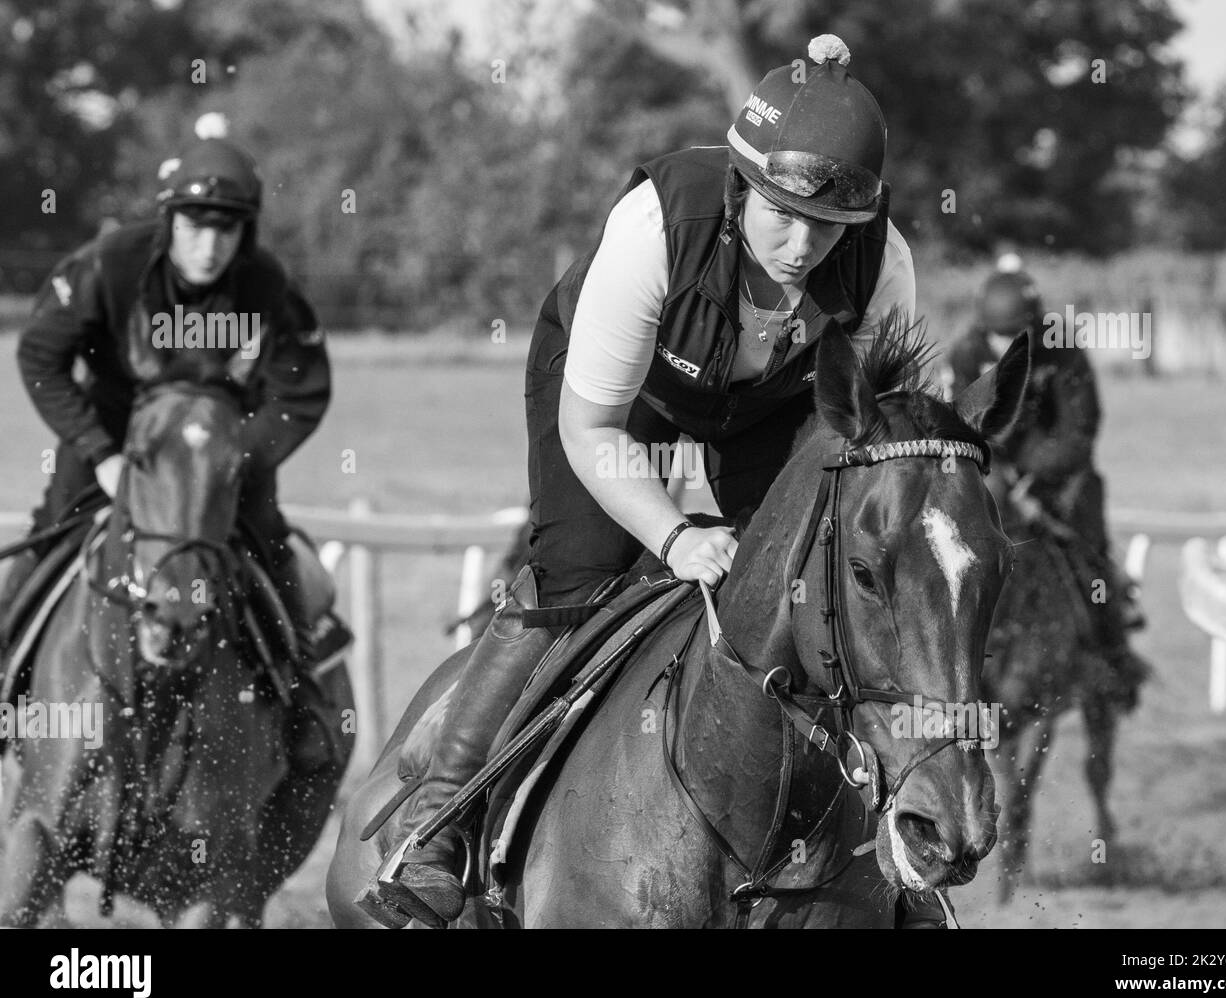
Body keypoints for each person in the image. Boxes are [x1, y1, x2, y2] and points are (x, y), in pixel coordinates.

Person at [391, 35, 947, 927]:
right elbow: (592, 428)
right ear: (741, 185)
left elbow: (870, 442)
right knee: (583, 565)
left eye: (828, 225)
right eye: (781, 215)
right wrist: (678, 536)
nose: (803, 245)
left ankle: (877, 846)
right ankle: (441, 817)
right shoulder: (657, 227)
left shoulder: (884, 268)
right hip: (620, 396)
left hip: (772, 410)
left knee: (814, 596)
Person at [1, 119, 336, 774]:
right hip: (110, 440)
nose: (209, 245)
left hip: (218, 451)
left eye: (226, 228)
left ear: (246, 231)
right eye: (194, 225)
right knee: (49, 537)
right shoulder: (108, 264)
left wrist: (241, 459)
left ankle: (299, 702)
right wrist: (97, 450)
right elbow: (41, 353)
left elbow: (301, 390)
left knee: (270, 544)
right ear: (169, 219)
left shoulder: (267, 285)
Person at [946, 256, 1147, 699]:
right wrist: (1003, 476)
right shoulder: (965, 354)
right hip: (992, 471)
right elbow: (962, 426)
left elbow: (1080, 428)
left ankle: (1114, 649)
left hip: (1061, 476)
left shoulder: (1063, 351)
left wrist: (1033, 483)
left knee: (1087, 533)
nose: (1005, 345)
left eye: (1014, 335)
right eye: (999, 336)